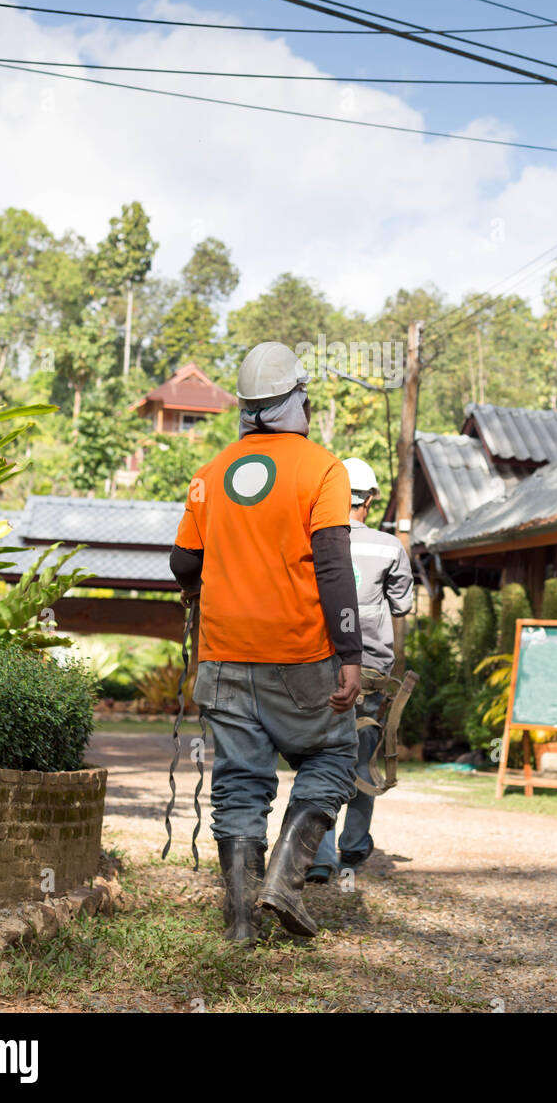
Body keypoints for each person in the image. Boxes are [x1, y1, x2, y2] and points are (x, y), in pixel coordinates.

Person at [169, 341, 362, 946]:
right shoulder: (323, 469)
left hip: (223, 657)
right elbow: (333, 566)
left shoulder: (209, 475)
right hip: (300, 657)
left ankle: (241, 922)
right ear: (294, 400)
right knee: (333, 758)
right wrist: (351, 655)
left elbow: (182, 562)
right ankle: (284, 877)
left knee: (238, 782)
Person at [306, 457, 414, 883]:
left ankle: (319, 855)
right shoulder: (390, 547)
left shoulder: (311, 540)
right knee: (363, 760)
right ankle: (351, 848)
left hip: (318, 669)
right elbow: (403, 606)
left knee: (319, 760)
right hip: (369, 672)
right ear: (369, 499)